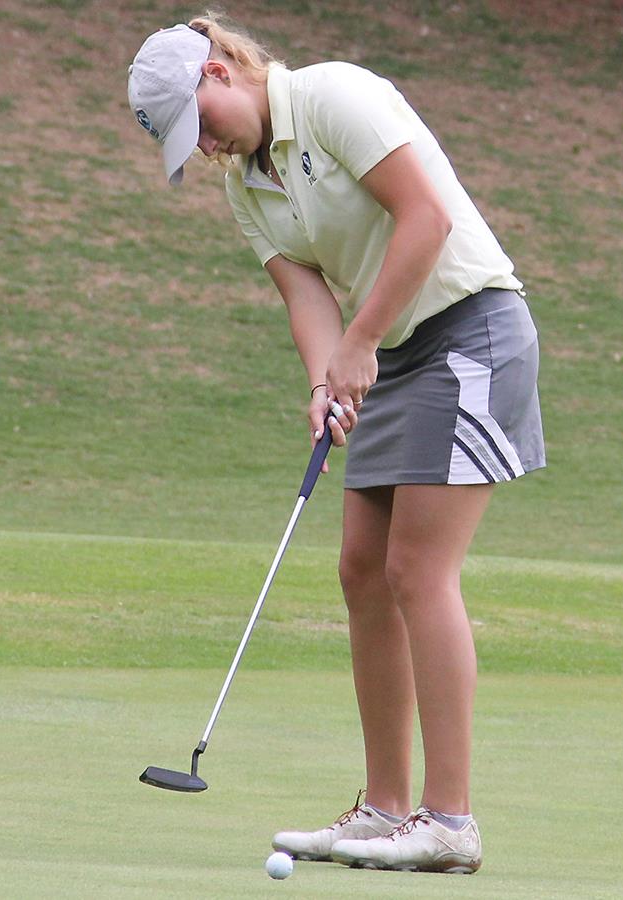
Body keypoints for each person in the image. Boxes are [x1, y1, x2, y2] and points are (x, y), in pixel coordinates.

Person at [127, 13, 544, 875]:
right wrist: (326, 380)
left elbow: (426, 220)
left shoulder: (332, 97)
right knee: (362, 570)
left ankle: (450, 821)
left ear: (219, 72)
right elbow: (306, 296)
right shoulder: (248, 185)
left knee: (417, 570)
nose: (204, 147)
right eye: (187, 143)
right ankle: (385, 808)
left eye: (199, 124)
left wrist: (359, 346)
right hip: (391, 350)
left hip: (469, 331)